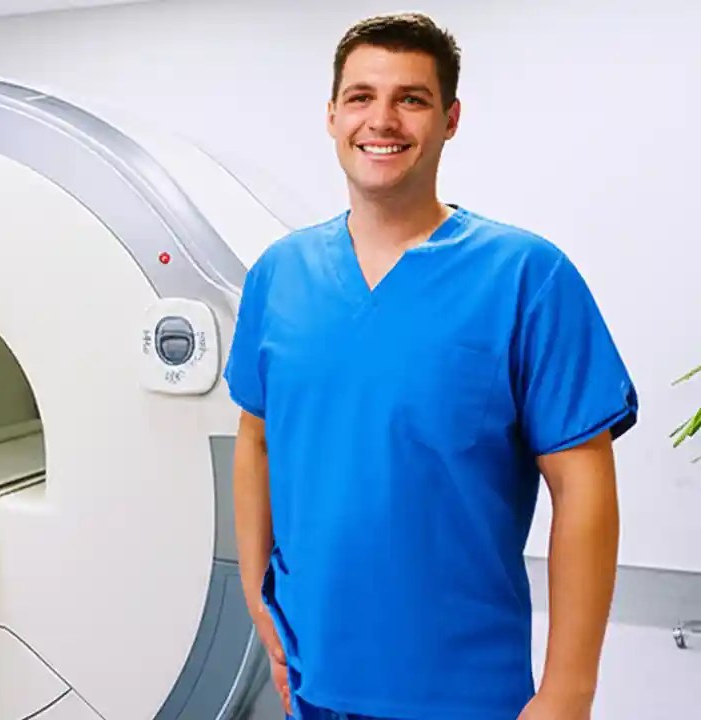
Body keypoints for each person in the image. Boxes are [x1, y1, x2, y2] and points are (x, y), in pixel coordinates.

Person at [225, 11, 638, 720]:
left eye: (410, 99)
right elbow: (257, 438)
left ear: (449, 119)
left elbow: (583, 487)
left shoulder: (525, 277)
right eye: (361, 97)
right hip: (313, 680)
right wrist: (256, 598)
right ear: (331, 116)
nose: (381, 119)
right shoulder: (279, 275)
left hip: (464, 690)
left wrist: (569, 692)